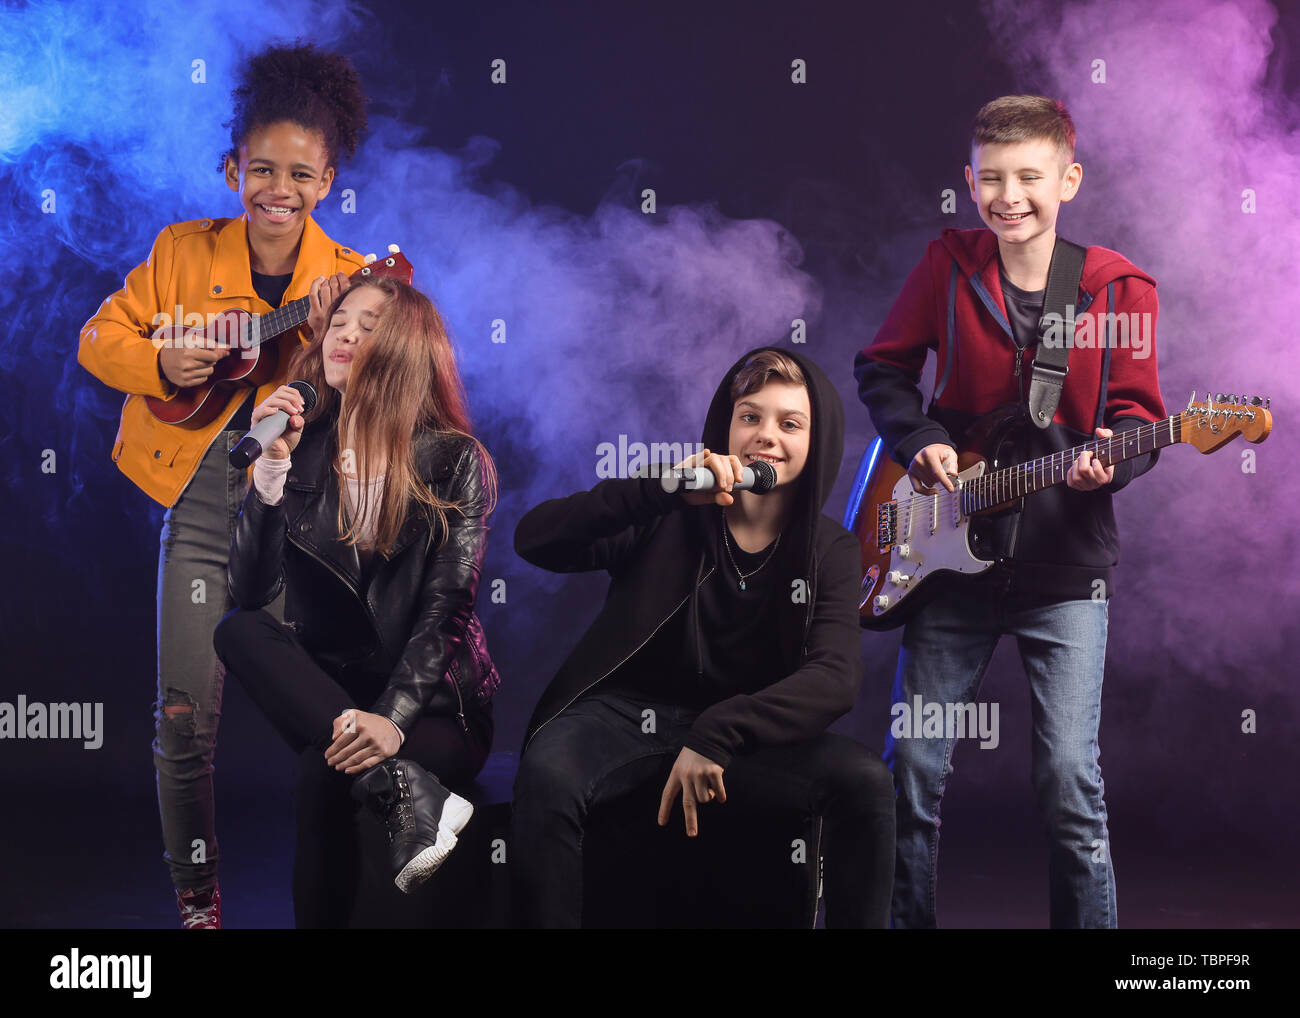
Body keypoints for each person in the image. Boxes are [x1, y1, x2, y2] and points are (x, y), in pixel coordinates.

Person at [854, 95, 1166, 928]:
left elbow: (1140, 420)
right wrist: (918, 438)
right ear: (968, 180)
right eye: (991, 178)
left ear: (1068, 177)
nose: (1009, 195)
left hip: (1065, 571)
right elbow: (883, 368)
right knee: (910, 766)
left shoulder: (1117, 289)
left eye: (1029, 176)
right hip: (944, 562)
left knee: (1068, 779)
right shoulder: (945, 266)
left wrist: (1114, 465)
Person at [77, 43, 370, 927]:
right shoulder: (179, 253)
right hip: (203, 512)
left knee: (338, 721)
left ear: (327, 182)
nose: (279, 189)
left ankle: (348, 899)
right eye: (261, 168)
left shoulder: (352, 277)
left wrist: (329, 350)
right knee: (181, 721)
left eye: (302, 175)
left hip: (308, 520)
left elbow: (391, 391)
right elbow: (98, 340)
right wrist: (165, 356)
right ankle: (199, 907)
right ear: (232, 166)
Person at [511, 347, 895, 928]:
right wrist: (657, 488)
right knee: (548, 770)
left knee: (867, 782)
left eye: (789, 424)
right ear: (726, 428)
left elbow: (835, 679)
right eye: (750, 417)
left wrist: (720, 731)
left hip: (741, 737)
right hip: (624, 718)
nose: (766, 435)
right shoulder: (669, 508)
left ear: (817, 444)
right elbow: (536, 539)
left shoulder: (831, 550)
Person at [212, 276, 499, 929]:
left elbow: (447, 609)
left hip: (434, 705)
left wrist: (392, 720)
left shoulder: (454, 460)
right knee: (239, 630)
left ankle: (390, 774)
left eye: (367, 324)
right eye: (340, 321)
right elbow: (250, 591)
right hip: (338, 696)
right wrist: (270, 475)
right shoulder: (303, 444)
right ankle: (399, 788)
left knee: (322, 773)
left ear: (405, 347)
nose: (342, 334)